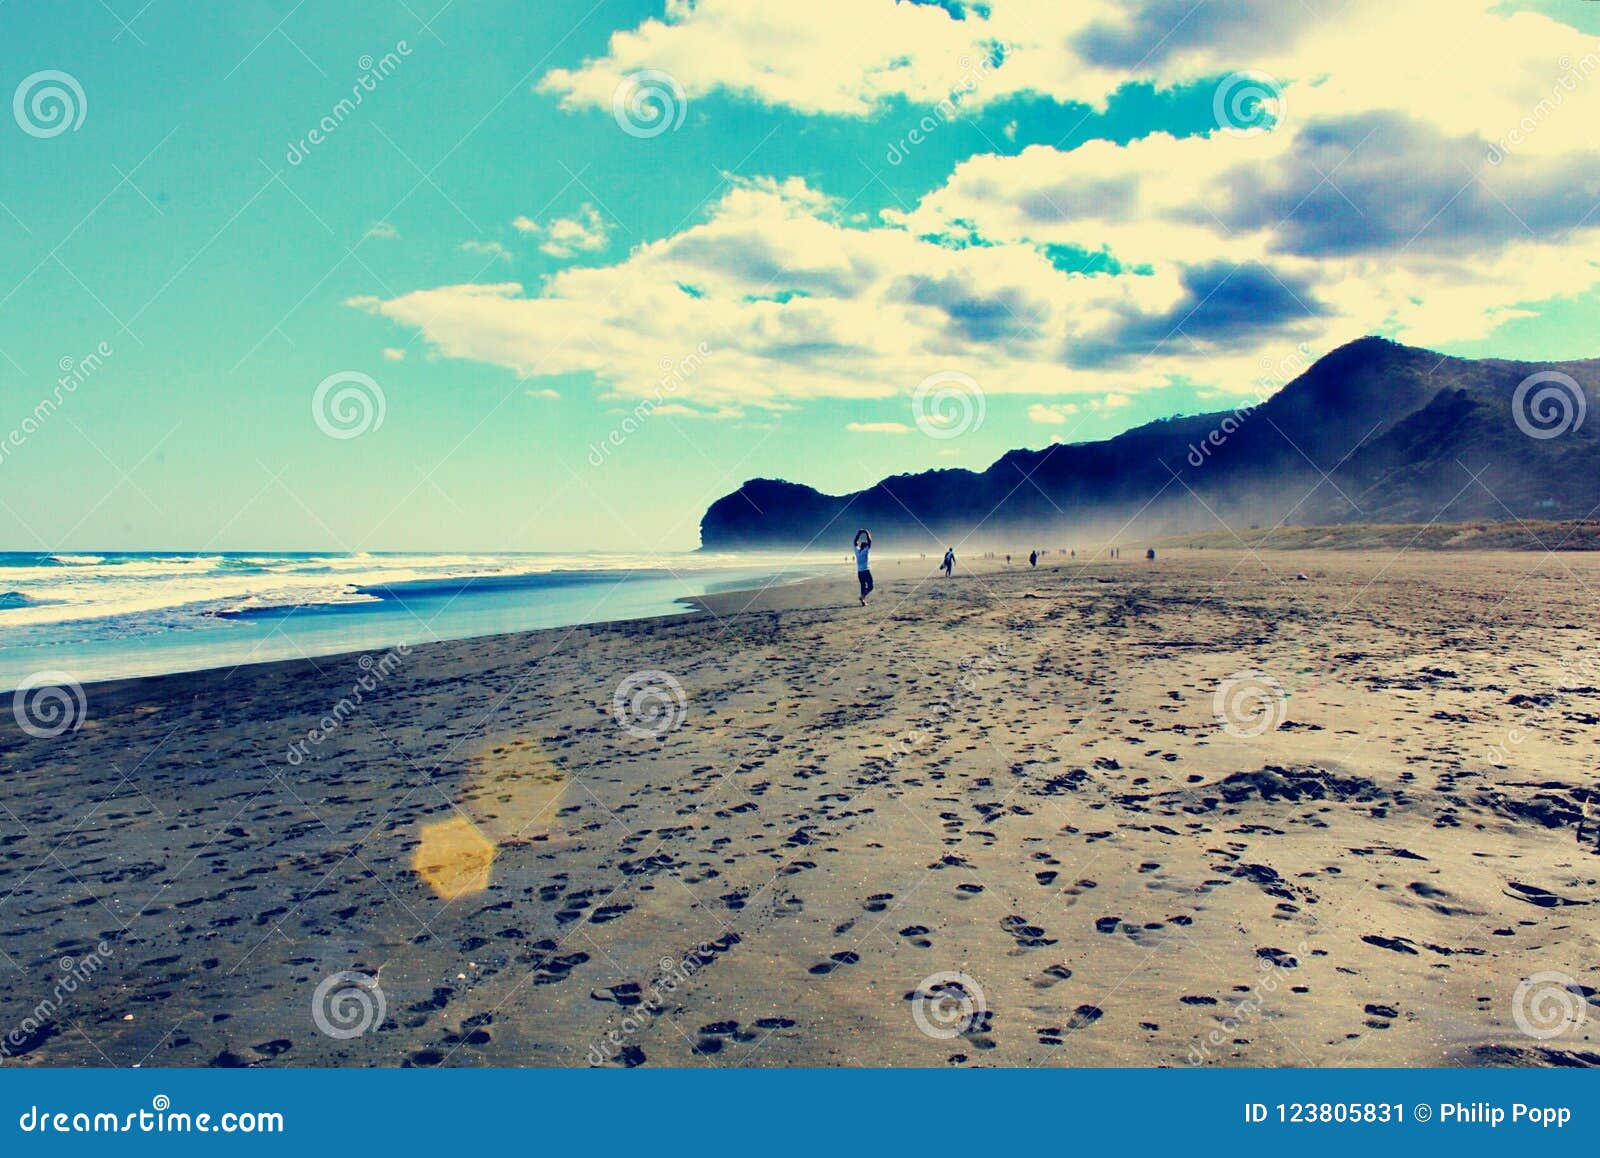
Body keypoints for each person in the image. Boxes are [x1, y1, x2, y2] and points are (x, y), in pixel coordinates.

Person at [854, 530, 874, 605]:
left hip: (859, 572)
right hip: (866, 571)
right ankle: (862, 597)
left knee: (863, 586)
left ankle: (863, 601)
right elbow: (870, 541)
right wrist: (867, 533)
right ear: (865, 546)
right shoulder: (866, 550)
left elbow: (855, 541)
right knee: (871, 586)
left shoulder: (857, 551)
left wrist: (859, 533)